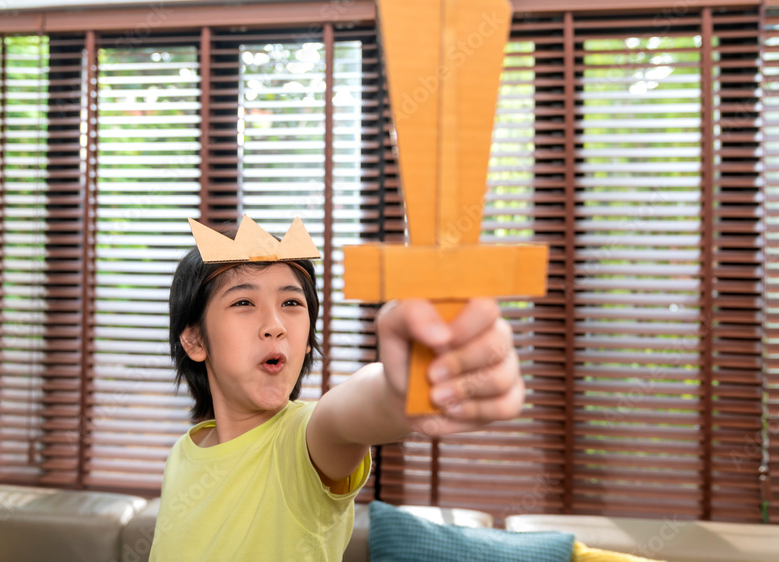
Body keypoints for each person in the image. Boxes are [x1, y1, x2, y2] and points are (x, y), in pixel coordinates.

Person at [148, 223, 525, 561]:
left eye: (292, 303)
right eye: (244, 302)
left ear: (308, 340)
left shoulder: (303, 443)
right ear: (195, 340)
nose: (275, 325)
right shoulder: (183, 453)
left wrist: (408, 383)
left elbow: (353, 409)